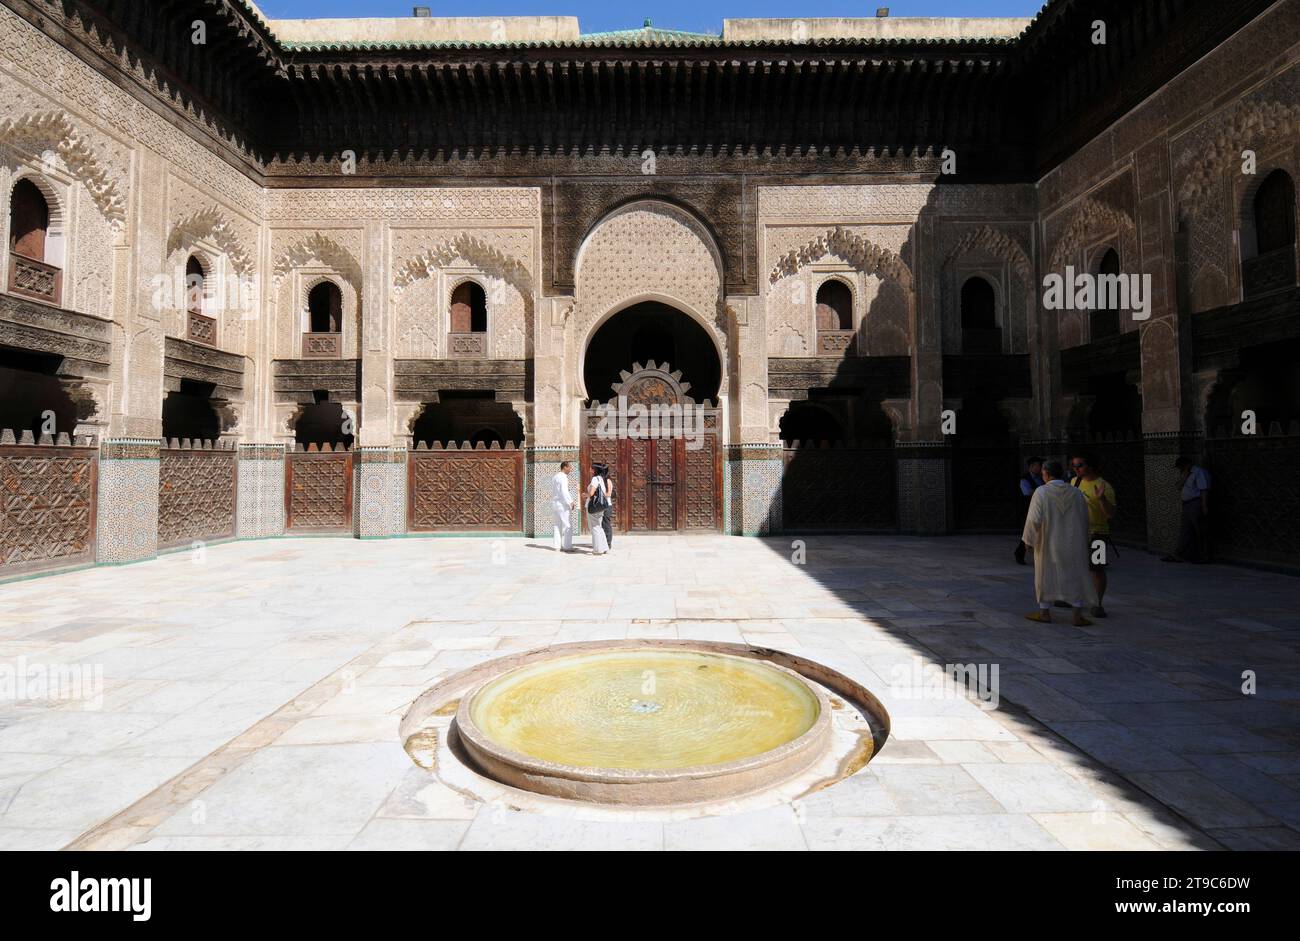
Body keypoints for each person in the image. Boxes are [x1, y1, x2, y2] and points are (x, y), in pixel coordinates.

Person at [1021, 460, 1096, 626]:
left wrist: (1028, 540)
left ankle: (1044, 613)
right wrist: (1086, 540)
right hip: (1072, 541)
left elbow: (1034, 519)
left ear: (1045, 474)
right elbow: (1085, 519)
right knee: (1075, 576)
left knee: (1044, 575)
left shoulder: (1041, 492)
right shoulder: (1076, 493)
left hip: (1048, 542)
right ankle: (1077, 615)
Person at [1069, 453, 1117, 619]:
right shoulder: (1074, 482)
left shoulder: (1104, 486)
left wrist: (1102, 498)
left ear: (1090, 466)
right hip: (1078, 532)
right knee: (1075, 567)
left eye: (1079, 465)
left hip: (1098, 533)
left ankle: (1097, 603)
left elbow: (1110, 514)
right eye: (1074, 465)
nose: (1076, 468)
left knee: (1097, 569)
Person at [1164, 457, 1211, 563]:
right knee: (1185, 531)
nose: (1180, 468)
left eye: (1182, 466)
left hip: (1196, 504)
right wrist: (1184, 475)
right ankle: (1180, 555)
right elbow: (1178, 487)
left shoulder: (1199, 472)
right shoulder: (1185, 473)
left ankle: (1204, 556)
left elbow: (1203, 490)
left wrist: (1204, 506)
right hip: (1187, 505)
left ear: (1188, 464)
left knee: (1200, 531)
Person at [1015, 456, 1045, 565]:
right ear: (1032, 467)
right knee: (1028, 532)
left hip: (1040, 508)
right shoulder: (1025, 479)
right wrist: (1041, 492)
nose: (1041, 468)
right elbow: (1027, 492)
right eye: (1039, 466)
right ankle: (1019, 553)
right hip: (1027, 509)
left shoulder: (1041, 478)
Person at [585, 463, 611, 555]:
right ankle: (605, 547)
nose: (589, 470)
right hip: (601, 507)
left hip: (593, 506)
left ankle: (598, 550)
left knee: (595, 528)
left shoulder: (595, 479)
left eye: (591, 468)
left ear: (594, 470)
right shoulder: (601, 479)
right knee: (599, 527)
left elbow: (591, 493)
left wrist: (585, 495)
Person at [551, 461, 575, 552]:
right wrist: (570, 502)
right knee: (567, 525)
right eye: (569, 467)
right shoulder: (563, 477)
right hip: (562, 504)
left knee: (557, 525)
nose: (570, 469)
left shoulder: (555, 476)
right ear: (564, 467)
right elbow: (564, 491)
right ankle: (567, 546)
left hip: (555, 503)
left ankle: (557, 546)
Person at [595, 461, 614, 551]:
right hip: (600, 505)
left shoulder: (608, 481)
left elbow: (609, 494)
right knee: (600, 525)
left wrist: (599, 495)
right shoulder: (599, 480)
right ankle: (603, 543)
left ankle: (608, 543)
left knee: (606, 524)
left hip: (606, 505)